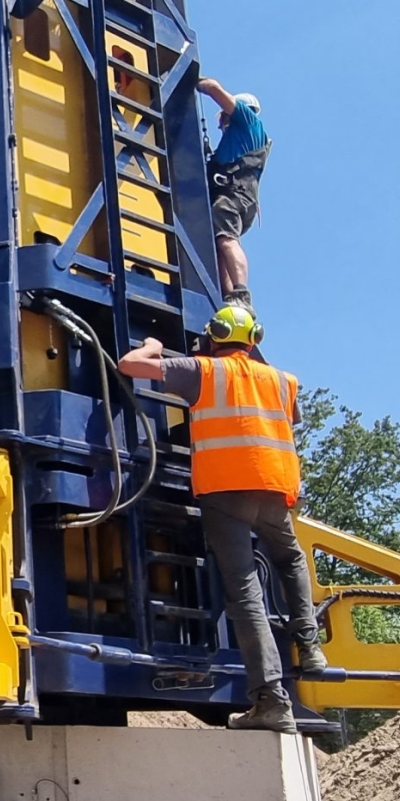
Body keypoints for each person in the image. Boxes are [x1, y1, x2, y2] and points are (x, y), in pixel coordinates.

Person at [117, 304, 324, 733]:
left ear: (213, 335)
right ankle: (312, 646)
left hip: (226, 492)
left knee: (246, 594)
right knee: (290, 560)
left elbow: (129, 364)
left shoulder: (204, 370)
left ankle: (270, 700)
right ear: (255, 340)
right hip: (273, 489)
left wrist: (155, 345)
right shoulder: (283, 381)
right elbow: (293, 415)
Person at [195, 78, 268, 313]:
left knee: (226, 239)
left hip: (233, 196)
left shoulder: (247, 119)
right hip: (236, 198)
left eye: (223, 119)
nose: (220, 126)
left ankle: (240, 294)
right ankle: (228, 299)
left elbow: (214, 89)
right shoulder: (243, 139)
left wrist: (197, 83)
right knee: (220, 243)